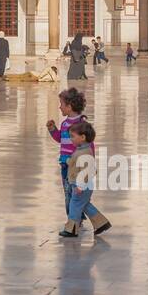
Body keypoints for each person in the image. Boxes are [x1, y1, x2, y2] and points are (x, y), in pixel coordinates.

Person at [59, 120, 111, 238]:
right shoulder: (81, 150)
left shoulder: (85, 153)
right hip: (80, 185)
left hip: (81, 186)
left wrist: (80, 186)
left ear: (82, 137)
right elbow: (76, 164)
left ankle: (71, 229)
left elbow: (88, 171)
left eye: (72, 136)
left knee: (74, 205)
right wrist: (67, 160)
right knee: (85, 205)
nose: (71, 139)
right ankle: (101, 223)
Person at [48, 87, 86, 216]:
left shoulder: (81, 124)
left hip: (76, 165)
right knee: (67, 191)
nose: (60, 107)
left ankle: (73, 219)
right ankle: (74, 218)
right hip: (64, 164)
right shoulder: (64, 124)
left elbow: (88, 145)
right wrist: (53, 130)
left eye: (61, 105)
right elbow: (60, 139)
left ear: (69, 107)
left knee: (74, 192)